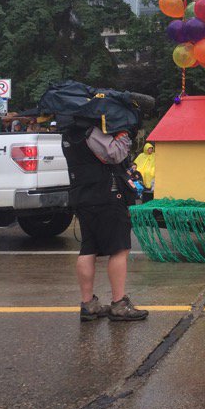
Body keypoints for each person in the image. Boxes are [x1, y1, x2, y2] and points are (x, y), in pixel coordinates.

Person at [63, 123, 148, 323]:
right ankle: (119, 304)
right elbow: (114, 155)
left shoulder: (68, 133)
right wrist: (124, 134)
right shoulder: (91, 132)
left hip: (82, 195)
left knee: (88, 248)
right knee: (119, 249)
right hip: (107, 195)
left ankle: (88, 305)